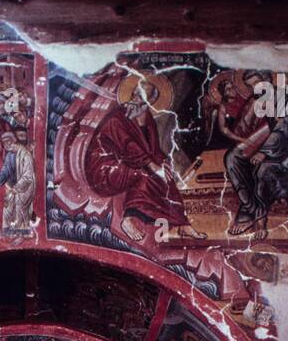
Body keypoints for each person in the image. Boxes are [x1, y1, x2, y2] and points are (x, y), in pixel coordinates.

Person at [83, 78, 203, 244]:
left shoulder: (148, 121)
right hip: (105, 167)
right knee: (144, 175)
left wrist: (163, 163)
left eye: (139, 97)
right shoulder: (117, 118)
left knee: (165, 177)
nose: (133, 99)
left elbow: (153, 150)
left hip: (129, 163)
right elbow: (128, 145)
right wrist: (153, 166)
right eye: (133, 94)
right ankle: (128, 219)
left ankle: (182, 224)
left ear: (151, 101)